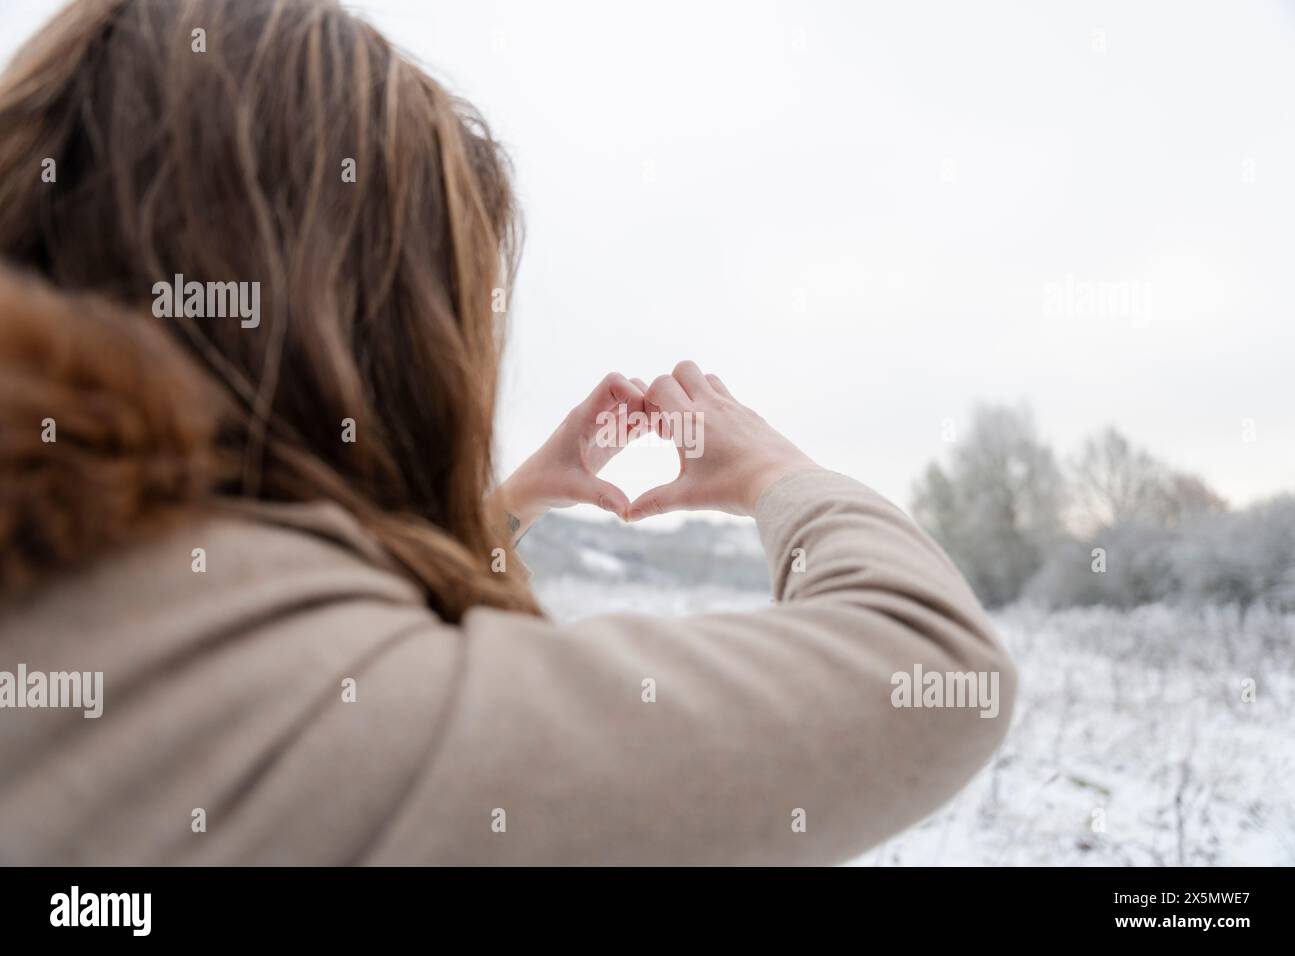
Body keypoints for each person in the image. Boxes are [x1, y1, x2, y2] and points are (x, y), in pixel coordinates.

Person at [0, 0, 1015, 865]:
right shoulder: (325, 722)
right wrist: (772, 467)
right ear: (361, 337)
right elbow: (935, 668)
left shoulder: (95, 594)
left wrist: (507, 503)